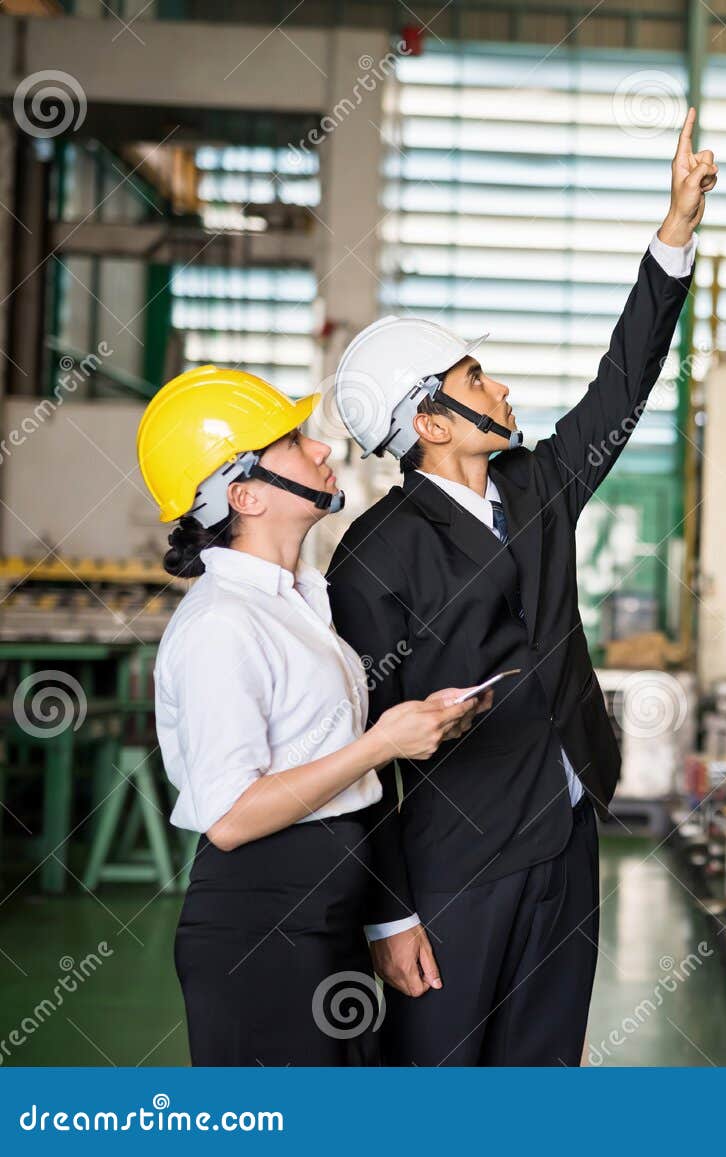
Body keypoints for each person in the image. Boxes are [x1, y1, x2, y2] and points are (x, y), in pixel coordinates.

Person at [324, 108, 714, 1065]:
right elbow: (360, 747)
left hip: (569, 828)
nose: (500, 390)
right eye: (477, 376)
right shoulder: (375, 556)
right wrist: (388, 915)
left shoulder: (539, 486)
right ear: (432, 419)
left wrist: (675, 233)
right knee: (448, 1075)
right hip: (455, 861)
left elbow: (624, 384)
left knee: (544, 1068)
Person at [139, 366, 484, 1066]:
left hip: (330, 912)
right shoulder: (220, 624)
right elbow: (231, 815)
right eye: (293, 441)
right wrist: (382, 744)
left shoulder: (299, 598)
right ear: (243, 494)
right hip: (261, 926)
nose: (321, 449)